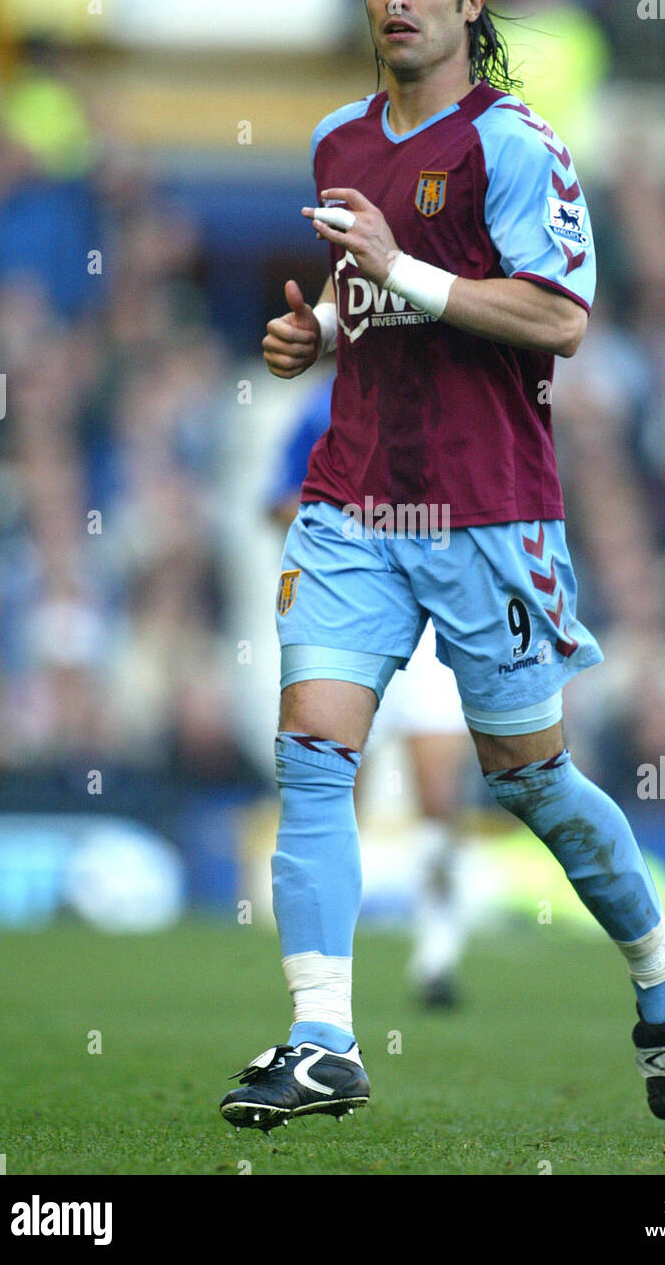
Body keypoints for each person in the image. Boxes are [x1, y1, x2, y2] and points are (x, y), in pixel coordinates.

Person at [220, 0, 665, 1133]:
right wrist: (315, 333)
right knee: (313, 749)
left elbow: (556, 317)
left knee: (527, 782)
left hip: (487, 509)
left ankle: (663, 972)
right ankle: (322, 1036)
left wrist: (400, 275)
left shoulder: (516, 144)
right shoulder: (338, 138)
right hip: (352, 499)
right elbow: (357, 293)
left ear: (469, 2)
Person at [266, 371, 475, 1009]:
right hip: (354, 617)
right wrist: (352, 521)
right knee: (335, 789)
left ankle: (436, 956)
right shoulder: (328, 402)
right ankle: (333, 972)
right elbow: (279, 501)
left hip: (436, 620)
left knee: (439, 795)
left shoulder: (457, 393)